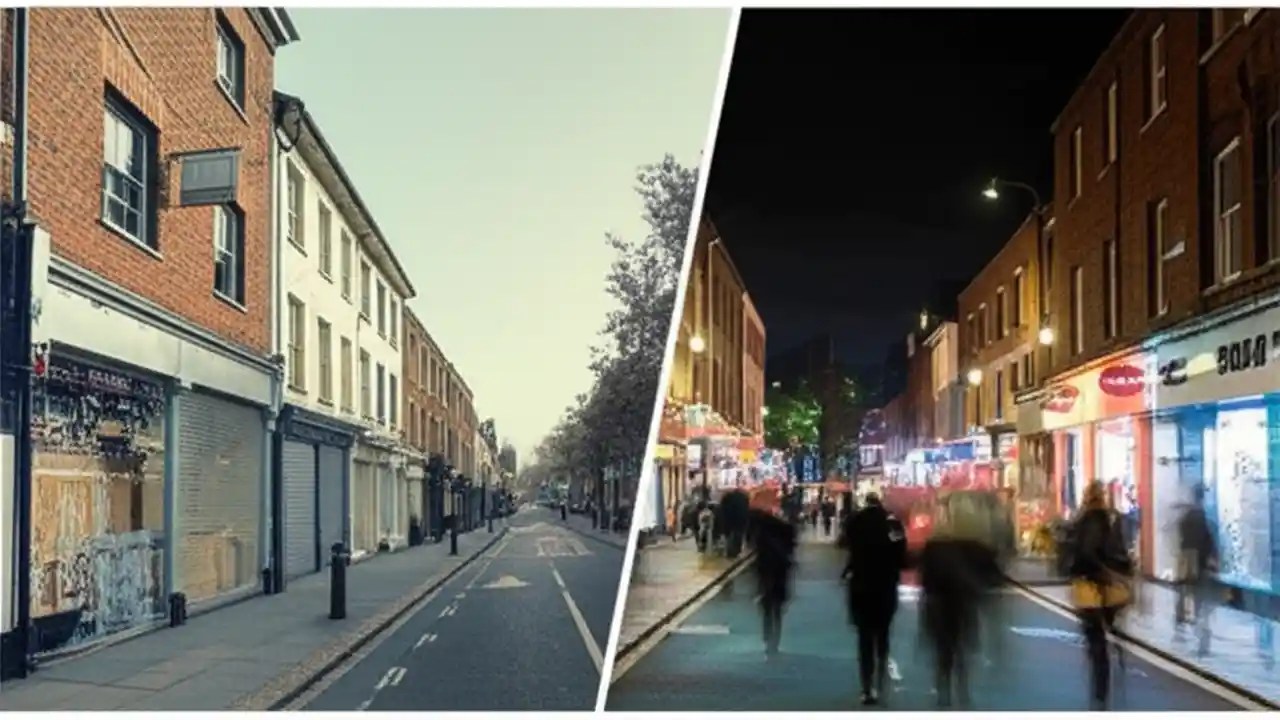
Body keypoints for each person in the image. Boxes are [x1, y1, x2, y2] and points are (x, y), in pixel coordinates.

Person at [1068, 480, 1134, 710]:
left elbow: (1081, 553)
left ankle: (1100, 693)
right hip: (1105, 587)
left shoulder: (1080, 520)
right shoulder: (1106, 519)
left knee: (1096, 641)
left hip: (1088, 588)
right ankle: (1103, 689)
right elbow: (1114, 551)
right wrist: (1114, 574)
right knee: (1104, 637)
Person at [841, 493, 907, 706]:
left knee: (864, 638)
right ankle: (881, 682)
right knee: (883, 635)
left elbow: (844, 543)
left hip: (861, 585)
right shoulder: (892, 523)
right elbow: (901, 554)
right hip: (885, 585)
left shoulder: (855, 521)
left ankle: (866, 688)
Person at [749, 505, 797, 657]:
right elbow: (790, 553)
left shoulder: (762, 535)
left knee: (767, 609)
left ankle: (767, 636)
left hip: (766, 576)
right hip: (780, 575)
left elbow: (757, 557)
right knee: (776, 610)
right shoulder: (784, 532)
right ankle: (774, 639)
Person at [1175, 485, 1217, 655]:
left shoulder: (1187, 515)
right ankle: (1200, 635)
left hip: (1187, 556)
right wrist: (1211, 557)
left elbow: (1182, 534)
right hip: (1198, 558)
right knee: (1198, 596)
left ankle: (1180, 622)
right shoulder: (1201, 516)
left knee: (1184, 590)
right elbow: (1207, 539)